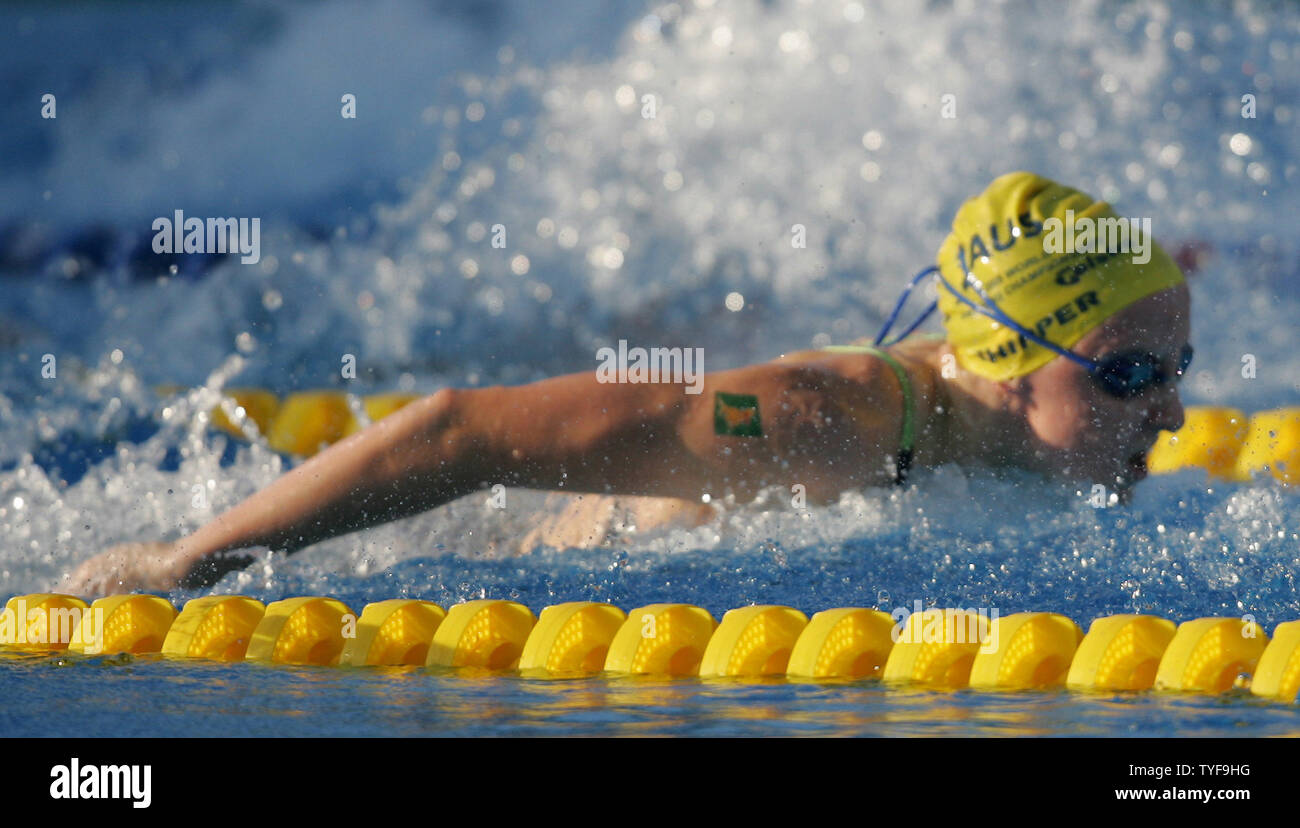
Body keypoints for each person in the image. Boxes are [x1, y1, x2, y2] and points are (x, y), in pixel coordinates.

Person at [59, 171, 1192, 598]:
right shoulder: (824, 423)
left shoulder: (1020, 443)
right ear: (1000, 367)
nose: (1174, 416)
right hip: (501, 577)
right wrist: (183, 564)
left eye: (1175, 371)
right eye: (1132, 378)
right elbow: (462, 431)